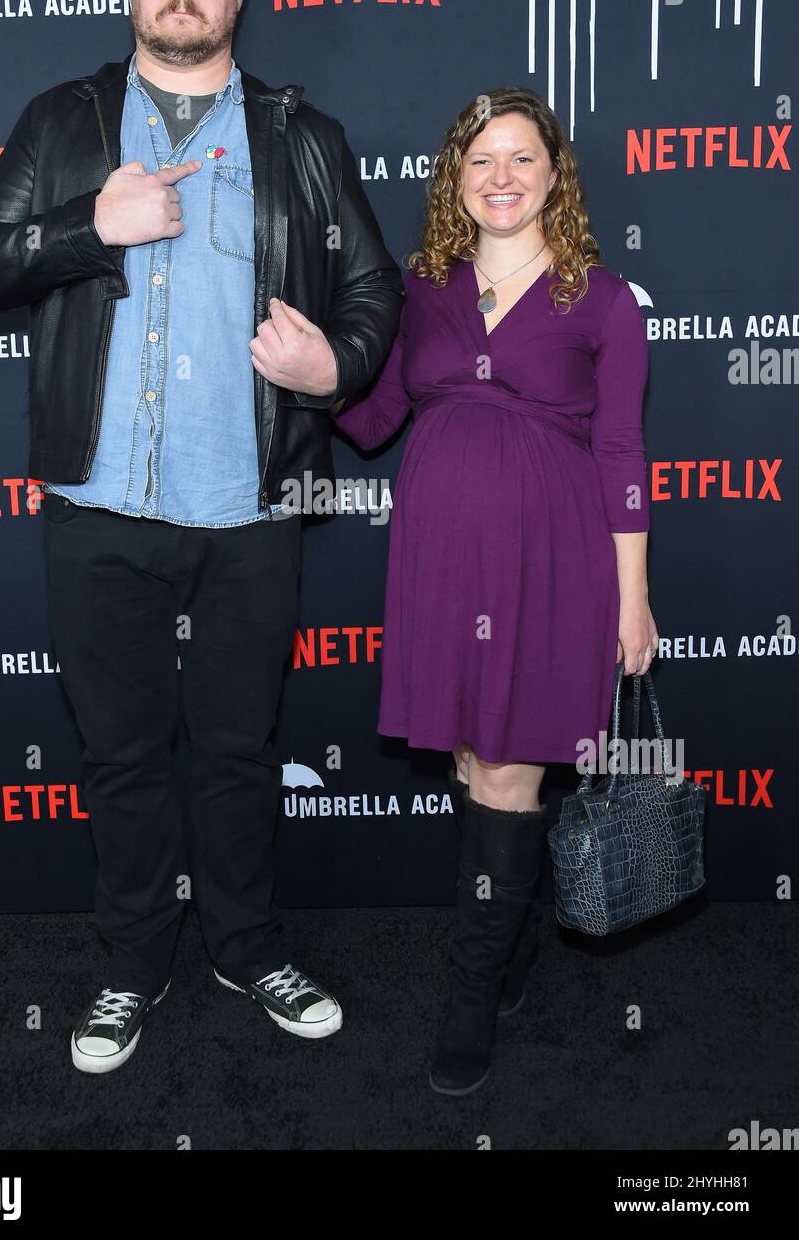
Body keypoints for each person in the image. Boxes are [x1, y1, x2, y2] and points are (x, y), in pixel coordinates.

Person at [0, 0, 403, 1073]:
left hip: (252, 506)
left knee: (242, 747)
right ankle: (131, 961)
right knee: (123, 754)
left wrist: (333, 367)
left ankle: (247, 946)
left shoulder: (301, 134)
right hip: (99, 505)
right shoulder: (64, 119)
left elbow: (375, 292)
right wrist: (90, 224)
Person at [332, 86, 658, 1096]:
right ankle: (511, 944)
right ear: (454, 178)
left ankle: (469, 996)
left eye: (521, 157)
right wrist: (311, 373)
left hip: (552, 561)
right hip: (437, 561)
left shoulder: (598, 298)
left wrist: (632, 596)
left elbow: (620, 451)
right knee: (472, 764)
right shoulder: (418, 286)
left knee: (509, 771)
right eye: (481, 159)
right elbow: (373, 414)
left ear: (553, 176)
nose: (501, 177)